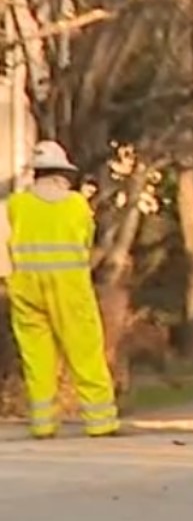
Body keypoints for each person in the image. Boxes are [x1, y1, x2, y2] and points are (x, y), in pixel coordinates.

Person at [4, 141, 118, 438]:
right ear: (61, 173)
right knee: (85, 352)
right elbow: (87, 242)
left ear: (35, 173)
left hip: (26, 288)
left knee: (36, 357)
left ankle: (43, 424)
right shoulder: (75, 204)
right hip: (69, 287)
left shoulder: (15, 205)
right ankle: (100, 421)